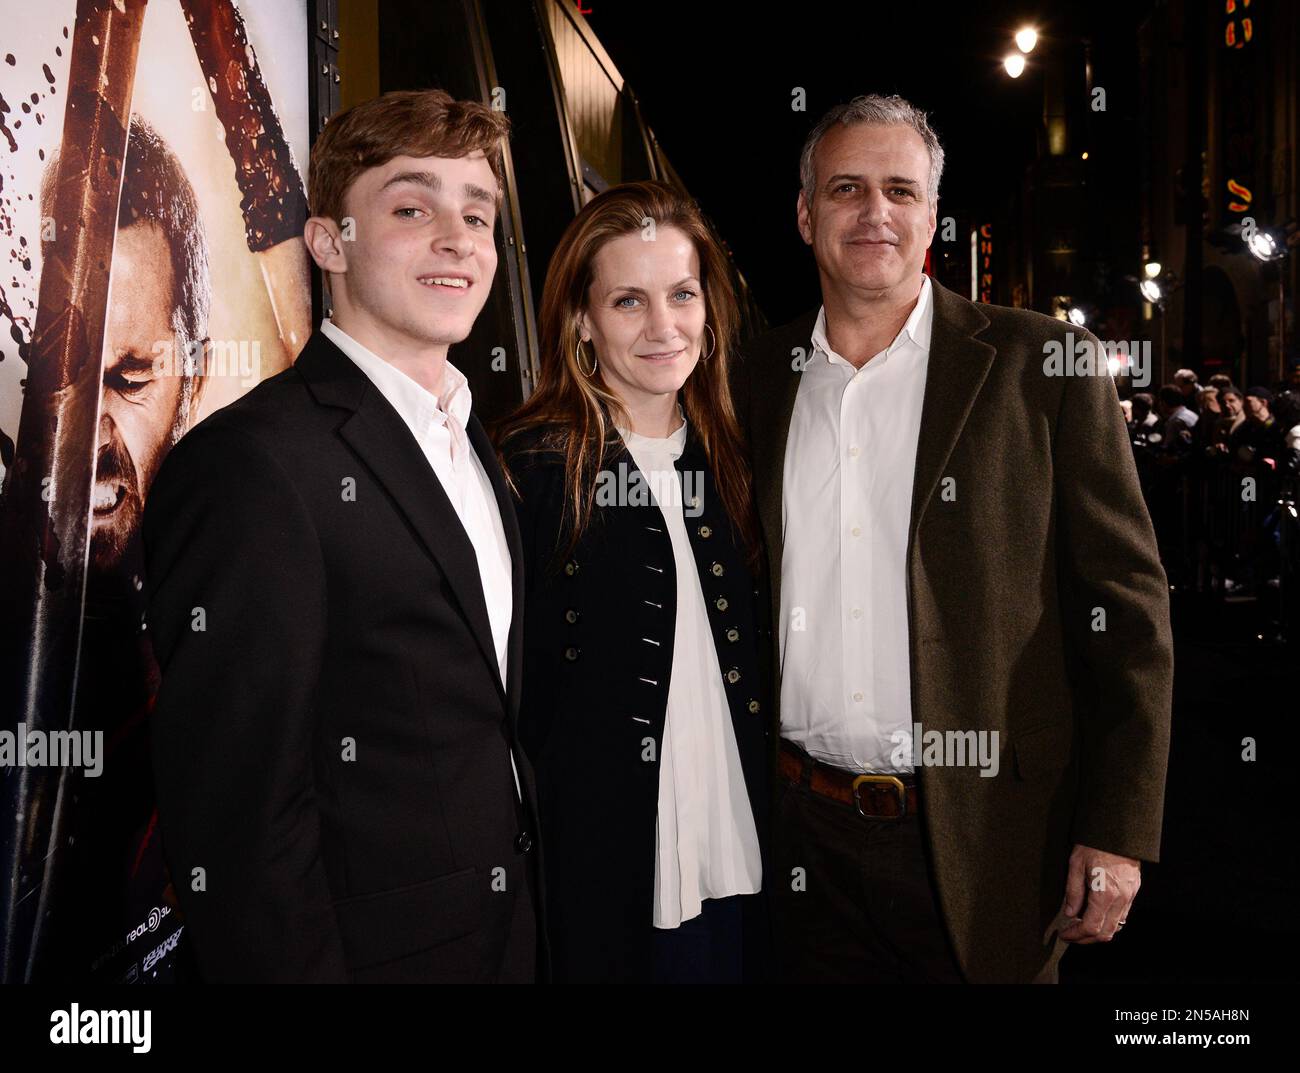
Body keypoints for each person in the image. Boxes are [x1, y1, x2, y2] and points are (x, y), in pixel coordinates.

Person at [732, 94, 1173, 984]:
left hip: (990, 839)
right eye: (846, 188)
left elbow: (1127, 610)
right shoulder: (749, 379)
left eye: (900, 189)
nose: (874, 212)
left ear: (932, 216)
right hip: (794, 836)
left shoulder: (1044, 366)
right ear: (805, 213)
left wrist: (1118, 830)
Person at [143, 89, 543, 983]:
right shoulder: (253, 464)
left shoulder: (476, 437)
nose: (457, 238)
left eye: (476, 214)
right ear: (328, 243)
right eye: (412, 207)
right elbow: (239, 824)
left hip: (508, 940)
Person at [497, 180, 771, 984]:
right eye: (628, 301)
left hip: (745, 865)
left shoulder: (736, 458)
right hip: (609, 887)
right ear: (580, 320)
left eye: (682, 294)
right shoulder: (530, 469)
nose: (664, 326)